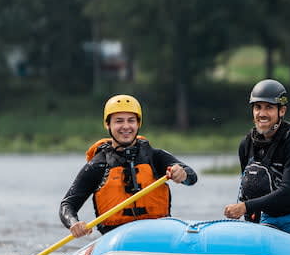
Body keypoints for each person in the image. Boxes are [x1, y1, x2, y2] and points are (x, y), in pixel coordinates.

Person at [59, 94, 197, 237]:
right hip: (116, 238)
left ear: (138, 124)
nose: (126, 126)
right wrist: (74, 223)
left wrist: (182, 174)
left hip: (158, 234)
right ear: (108, 125)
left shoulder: (155, 156)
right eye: (119, 121)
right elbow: (67, 205)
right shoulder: (98, 165)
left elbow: (192, 178)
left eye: (131, 120)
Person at [222, 78, 290, 242]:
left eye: (269, 107)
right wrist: (248, 217)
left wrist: (245, 207)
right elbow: (248, 190)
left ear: (281, 111)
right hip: (270, 219)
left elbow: (288, 193)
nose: (262, 113)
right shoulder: (246, 144)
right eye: (258, 107)